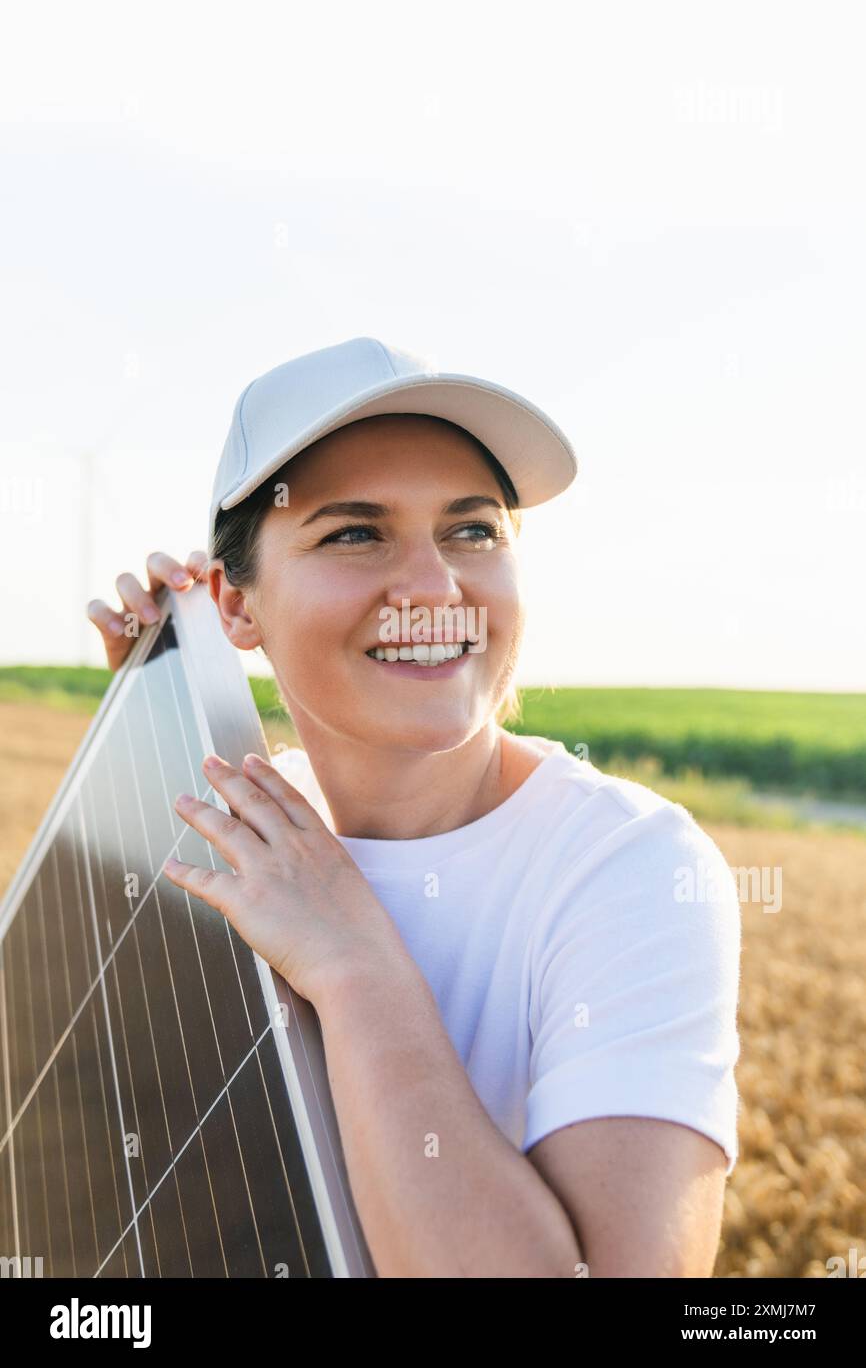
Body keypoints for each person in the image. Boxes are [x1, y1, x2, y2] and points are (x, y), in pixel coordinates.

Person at [86, 337, 741, 1278]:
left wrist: (356, 967)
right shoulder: (230, 835)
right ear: (233, 604)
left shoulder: (627, 866)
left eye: (473, 531)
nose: (435, 588)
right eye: (355, 532)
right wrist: (148, 725)